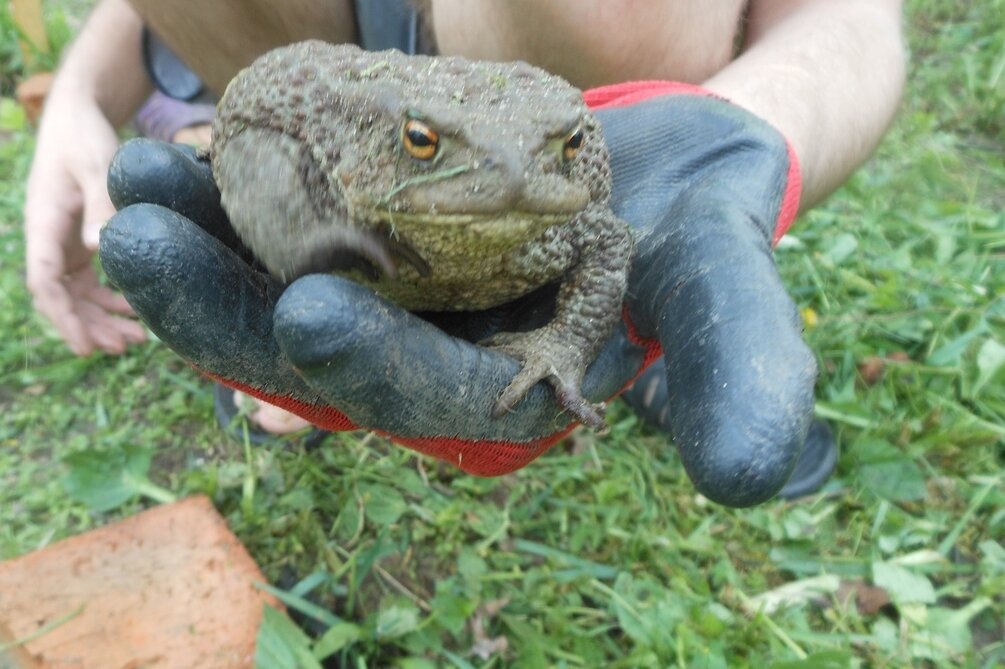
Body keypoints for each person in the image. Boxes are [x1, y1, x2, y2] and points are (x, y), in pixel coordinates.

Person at [24, 0, 906, 506]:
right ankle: (295, 275)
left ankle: (624, 338)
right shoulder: (351, 159)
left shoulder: (556, 219)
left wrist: (756, 126)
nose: (516, 182)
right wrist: (79, 93)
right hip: (361, 116)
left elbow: (600, 236)